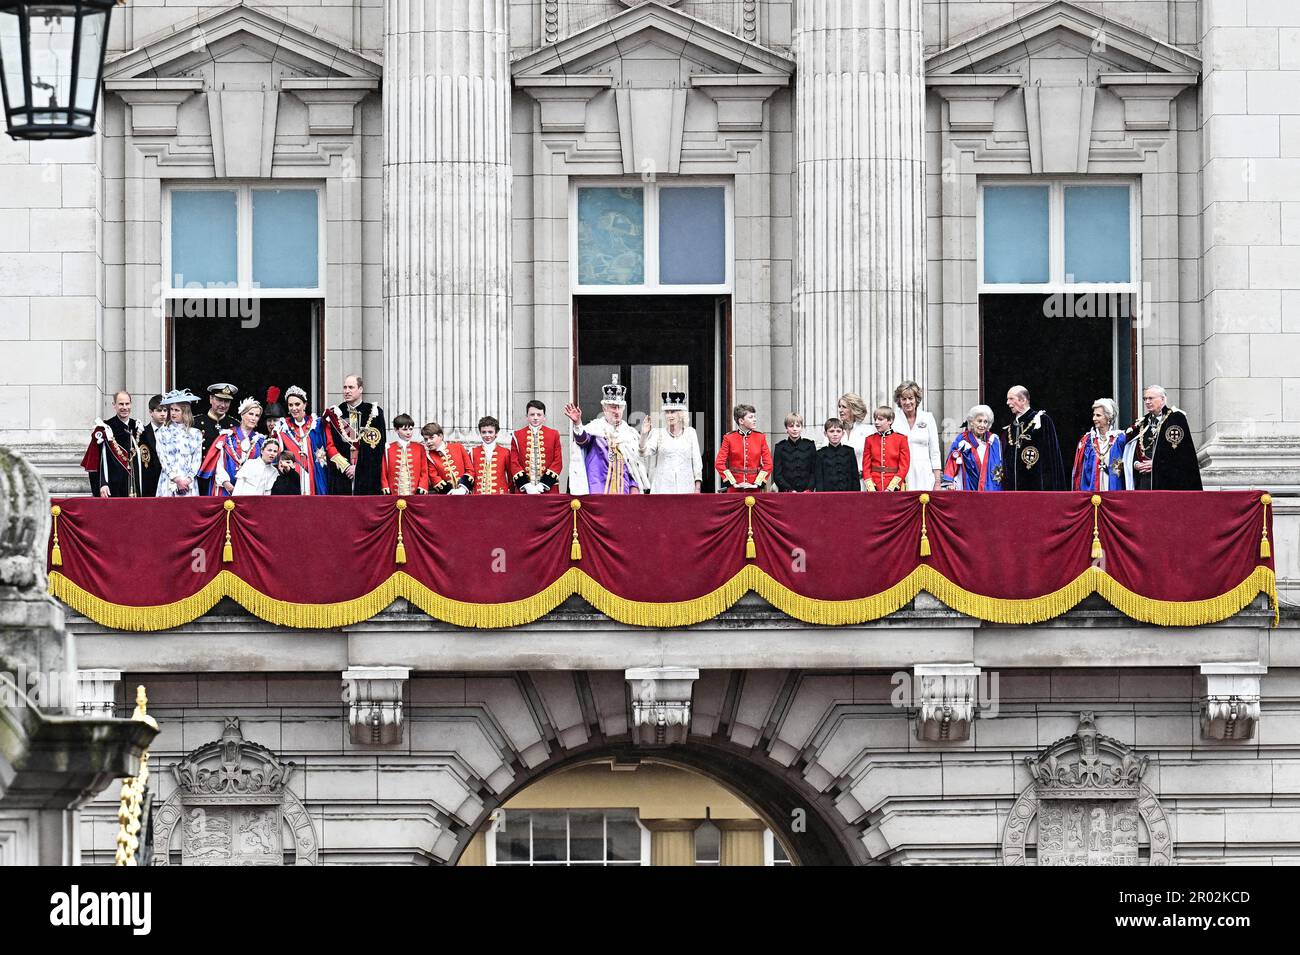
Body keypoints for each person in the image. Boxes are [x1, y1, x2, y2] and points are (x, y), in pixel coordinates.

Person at [564, 375, 650, 495]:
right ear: (604, 408)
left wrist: (634, 487)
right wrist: (578, 423)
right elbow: (582, 440)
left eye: (619, 407)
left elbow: (633, 466)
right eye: (613, 407)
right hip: (597, 489)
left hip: (622, 492)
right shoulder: (594, 429)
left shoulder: (629, 434)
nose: (616, 411)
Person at [1122, 385, 1202, 490]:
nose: (1147, 402)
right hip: (1144, 481)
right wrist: (1136, 464)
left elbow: (1181, 453)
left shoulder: (1175, 418)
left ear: (1163, 399)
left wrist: (1156, 464)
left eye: (1151, 398)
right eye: (1145, 399)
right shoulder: (1143, 423)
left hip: (1167, 481)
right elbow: (1132, 449)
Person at [323, 374, 386, 495]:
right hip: (342, 475)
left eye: (351, 387)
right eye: (345, 387)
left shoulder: (374, 412)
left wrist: (358, 468)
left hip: (367, 475)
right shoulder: (335, 414)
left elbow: (378, 447)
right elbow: (330, 445)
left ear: (360, 389)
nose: (347, 391)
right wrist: (346, 467)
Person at [639, 383, 703, 493]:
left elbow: (697, 462)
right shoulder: (658, 433)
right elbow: (644, 453)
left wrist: (697, 487)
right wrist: (644, 434)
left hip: (686, 487)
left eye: (673, 412)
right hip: (663, 488)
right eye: (667, 412)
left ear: (681, 414)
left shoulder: (690, 433)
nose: (669, 415)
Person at [81, 391, 147, 498]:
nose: (124, 407)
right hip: (113, 488)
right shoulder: (105, 428)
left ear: (131, 404)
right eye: (121, 404)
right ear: (114, 405)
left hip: (135, 488)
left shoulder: (137, 427)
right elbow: (98, 460)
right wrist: (102, 484)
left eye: (127, 404)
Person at [1002, 386, 1065, 491]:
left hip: (1038, 490)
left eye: (1011, 399)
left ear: (1023, 400)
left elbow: (1051, 458)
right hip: (1013, 492)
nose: (1008, 403)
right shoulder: (1010, 428)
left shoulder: (1042, 420)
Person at [200, 397, 265, 497]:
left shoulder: (260, 441)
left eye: (257, 415)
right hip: (225, 488)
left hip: (251, 491)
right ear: (242, 414)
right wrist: (227, 484)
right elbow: (217, 464)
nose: (253, 418)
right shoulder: (227, 436)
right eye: (250, 414)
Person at [275, 385, 329, 495]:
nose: (294, 408)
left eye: (297, 404)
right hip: (293, 481)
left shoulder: (316, 425)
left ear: (305, 404)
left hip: (314, 477)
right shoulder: (282, 427)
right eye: (290, 405)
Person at [892, 380, 942, 492]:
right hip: (900, 473)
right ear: (899, 401)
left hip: (924, 472)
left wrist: (937, 482)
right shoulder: (893, 419)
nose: (907, 402)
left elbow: (935, 451)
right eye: (903, 399)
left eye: (910, 398)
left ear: (916, 399)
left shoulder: (928, 418)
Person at [154, 389, 205, 497]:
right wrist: (176, 479)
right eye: (171, 409)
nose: (173, 413)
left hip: (189, 483)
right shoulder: (162, 432)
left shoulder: (195, 433)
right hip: (168, 481)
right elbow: (163, 458)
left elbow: (197, 459)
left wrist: (188, 479)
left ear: (185, 412)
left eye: (177, 410)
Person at [942, 405, 1003, 491]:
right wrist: (949, 481)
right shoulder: (962, 439)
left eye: (985, 422)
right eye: (979, 421)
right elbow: (952, 460)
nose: (982, 425)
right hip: (969, 484)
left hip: (990, 487)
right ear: (971, 422)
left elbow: (999, 464)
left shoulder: (993, 440)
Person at [1072, 398, 1128, 492]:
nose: (1094, 418)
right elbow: (1080, 470)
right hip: (1091, 492)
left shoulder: (1120, 439)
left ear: (1108, 417)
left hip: (1114, 491)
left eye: (1098, 415)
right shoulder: (1088, 441)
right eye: (1094, 415)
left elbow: (1125, 468)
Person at [509, 400, 564, 494]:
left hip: (548, 488)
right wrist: (526, 485)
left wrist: (543, 484)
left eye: (539, 415)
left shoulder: (554, 434)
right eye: (532, 414)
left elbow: (558, 461)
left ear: (544, 417)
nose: (535, 418)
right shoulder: (517, 435)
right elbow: (514, 462)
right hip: (525, 490)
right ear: (527, 417)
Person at [716, 404, 772, 493]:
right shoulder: (729, 438)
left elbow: (768, 464)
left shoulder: (760, 437)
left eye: (754, 416)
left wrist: (757, 483)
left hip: (754, 488)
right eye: (751, 417)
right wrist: (733, 483)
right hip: (734, 489)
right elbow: (719, 463)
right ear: (741, 421)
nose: (755, 419)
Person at [196, 383, 239, 495]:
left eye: (227, 401)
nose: (223, 405)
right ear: (211, 399)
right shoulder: (196, 423)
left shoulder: (234, 425)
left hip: (227, 480)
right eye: (219, 400)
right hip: (203, 478)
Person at [862, 406, 911, 492]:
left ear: (890, 421)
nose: (876, 422)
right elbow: (866, 467)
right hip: (874, 486)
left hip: (895, 486)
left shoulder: (901, 439)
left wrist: (891, 487)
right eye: (875, 419)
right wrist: (871, 487)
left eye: (880, 419)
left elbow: (904, 467)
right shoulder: (869, 440)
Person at [382, 414, 430, 496]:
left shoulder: (420, 447)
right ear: (396, 430)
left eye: (411, 429)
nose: (408, 432)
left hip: (416, 492)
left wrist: (422, 486)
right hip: (394, 492)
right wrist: (385, 485)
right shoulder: (388, 448)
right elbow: (383, 469)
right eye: (405, 429)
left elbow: (424, 470)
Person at [422, 421, 473, 494]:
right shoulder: (429, 457)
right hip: (447, 496)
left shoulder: (458, 447)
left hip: (466, 493)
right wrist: (450, 492)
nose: (428, 442)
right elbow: (435, 478)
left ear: (441, 436)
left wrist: (463, 489)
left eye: (431, 438)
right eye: (426, 439)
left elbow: (470, 469)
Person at [772, 413, 817, 492]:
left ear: (801, 428)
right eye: (791, 426)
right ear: (786, 428)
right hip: (786, 492)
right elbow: (777, 475)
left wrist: (809, 489)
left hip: (807, 492)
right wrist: (789, 489)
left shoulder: (810, 445)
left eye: (798, 426)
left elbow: (814, 471)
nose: (795, 429)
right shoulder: (780, 447)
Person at [815, 418, 860, 492]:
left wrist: (855, 496)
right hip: (828, 496)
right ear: (825, 434)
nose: (835, 434)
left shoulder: (849, 452)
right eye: (831, 431)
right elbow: (819, 480)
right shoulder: (820, 453)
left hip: (847, 495)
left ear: (843, 433)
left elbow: (855, 478)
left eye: (838, 431)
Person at [470, 416, 512, 495]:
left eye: (490, 432)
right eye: (484, 432)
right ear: (480, 432)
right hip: (477, 497)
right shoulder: (473, 452)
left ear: (496, 433)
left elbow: (510, 477)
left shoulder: (505, 452)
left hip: (500, 496)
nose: (487, 435)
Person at [836, 392, 869, 472]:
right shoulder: (834, 430)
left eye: (844, 407)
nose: (840, 410)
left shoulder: (867, 431)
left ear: (853, 409)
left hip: (861, 480)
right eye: (839, 407)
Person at [141, 394, 165, 497]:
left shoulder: (172, 433)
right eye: (159, 410)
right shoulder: (142, 433)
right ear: (151, 412)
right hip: (149, 485)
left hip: (167, 483)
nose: (163, 414)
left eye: (165, 410)